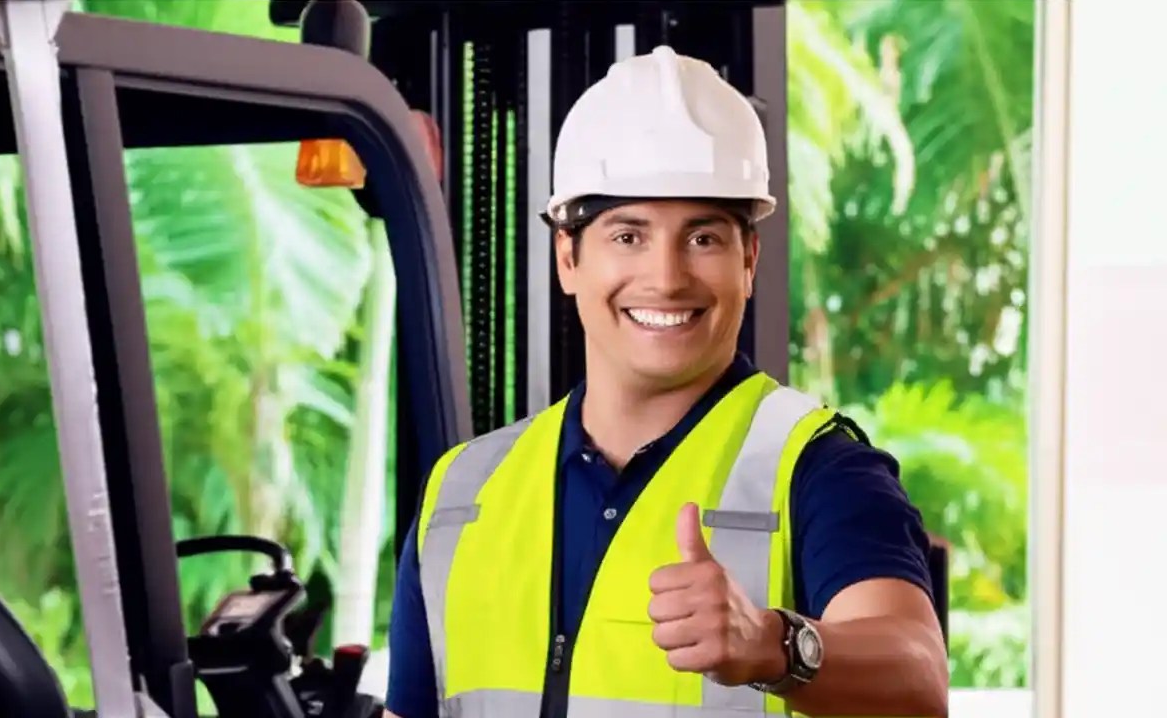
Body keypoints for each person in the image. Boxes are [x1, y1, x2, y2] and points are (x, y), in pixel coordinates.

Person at [384, 45, 948, 718]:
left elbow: (917, 678)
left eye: (702, 238)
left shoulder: (819, 471)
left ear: (749, 259)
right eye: (628, 236)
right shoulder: (461, 494)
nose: (667, 277)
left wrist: (774, 645)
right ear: (568, 257)